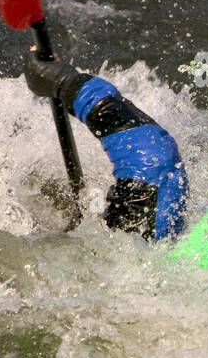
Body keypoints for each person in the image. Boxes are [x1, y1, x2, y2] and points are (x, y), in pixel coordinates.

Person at [24, 50, 188, 241]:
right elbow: (155, 163)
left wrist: (64, 83)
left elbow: (155, 162)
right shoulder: (134, 258)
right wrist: (65, 83)